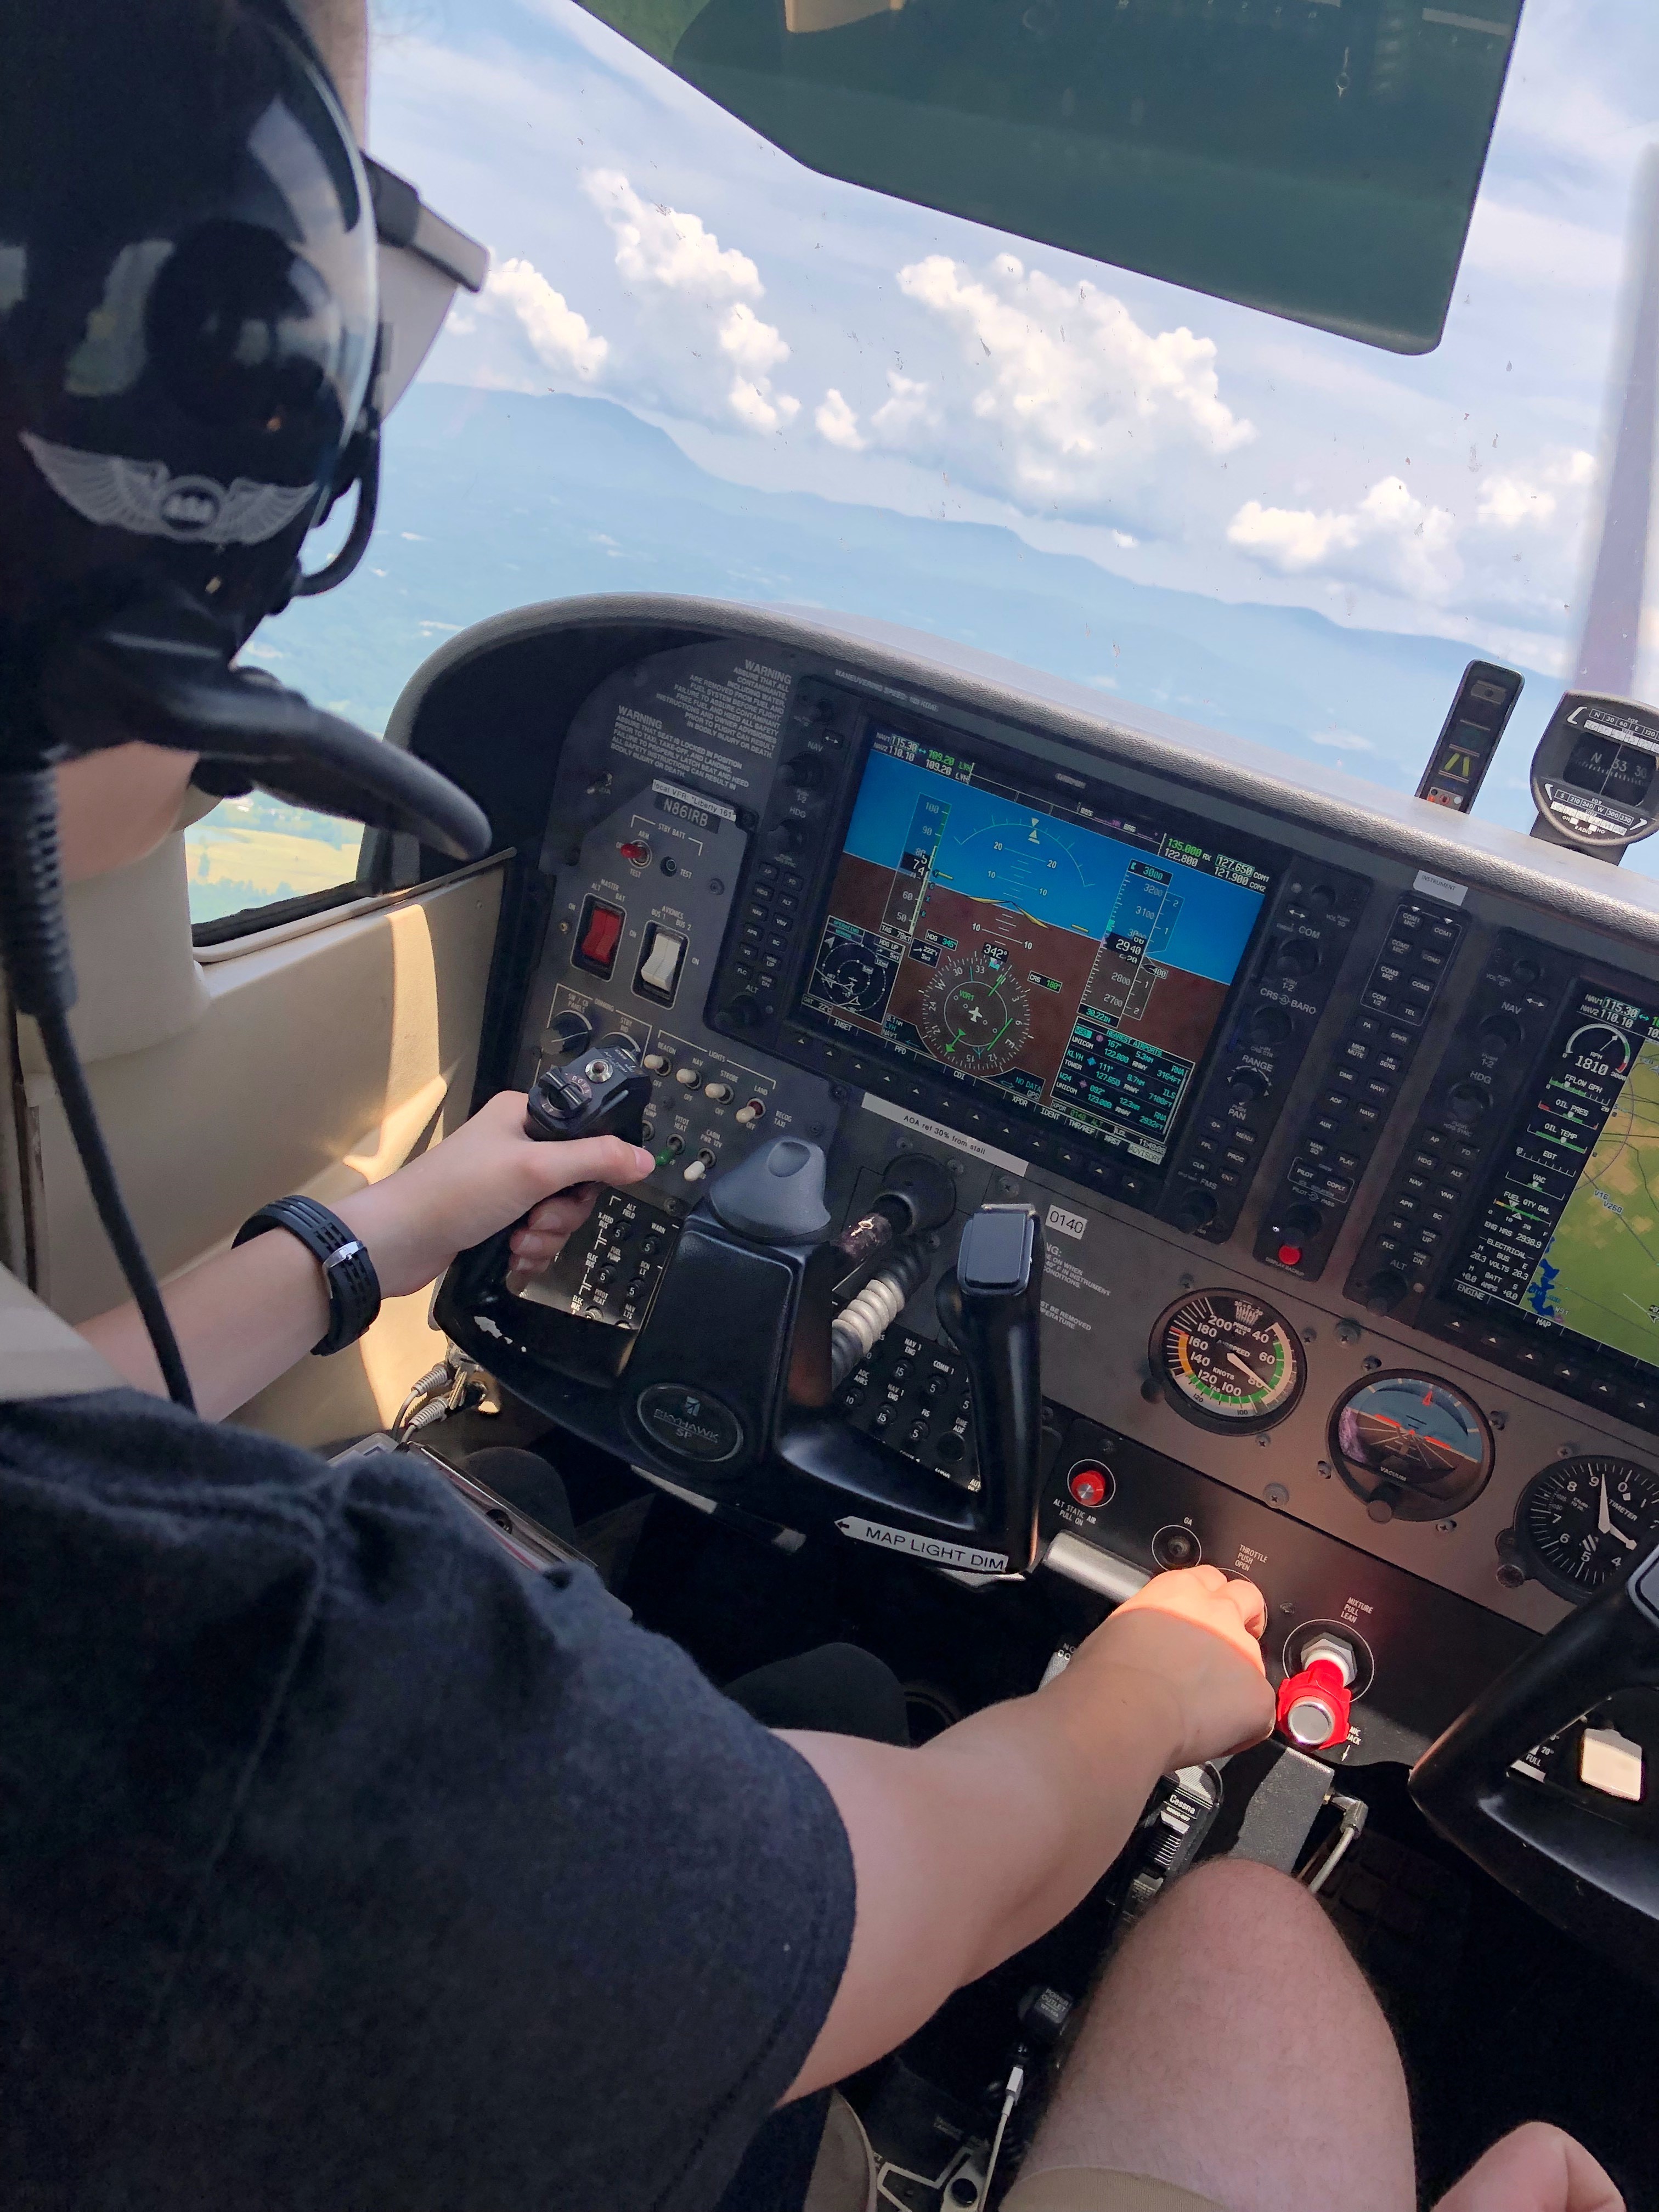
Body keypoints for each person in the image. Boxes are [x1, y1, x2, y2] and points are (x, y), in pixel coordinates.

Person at [0, 8, 1625, 2211]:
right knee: (1241, 1926)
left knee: (620, 1556)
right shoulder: (294, 1699)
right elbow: (891, 1901)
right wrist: (1143, 1698)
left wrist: (381, 1228)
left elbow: (59, 1426)